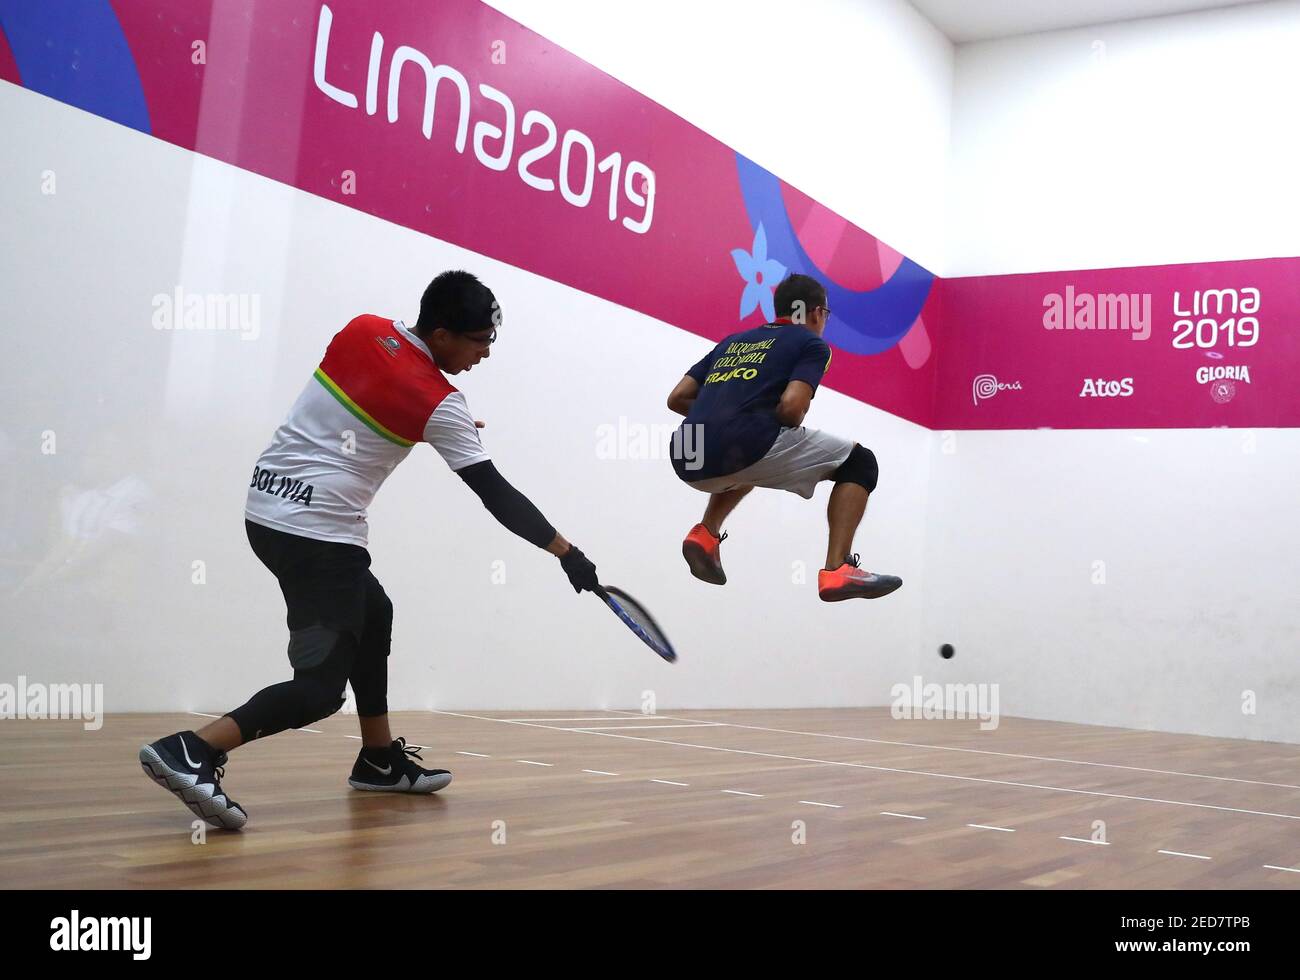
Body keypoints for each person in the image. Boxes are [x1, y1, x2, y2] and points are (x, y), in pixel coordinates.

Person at [139, 271, 601, 830]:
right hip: (318, 536)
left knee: (374, 612)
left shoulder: (363, 328)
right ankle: (193, 749)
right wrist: (565, 551)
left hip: (266, 510)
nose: (485, 353)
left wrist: (438, 423)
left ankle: (378, 759)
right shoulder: (441, 404)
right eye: (479, 341)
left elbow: (375, 388)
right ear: (443, 332)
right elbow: (495, 494)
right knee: (318, 691)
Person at [666, 273, 901, 601]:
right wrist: (754, 419)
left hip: (686, 454)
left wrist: (725, 413)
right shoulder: (811, 344)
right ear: (817, 312)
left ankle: (704, 535)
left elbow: (676, 399)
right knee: (860, 462)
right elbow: (792, 408)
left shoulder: (731, 342)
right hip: (745, 446)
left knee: (744, 472)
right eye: (826, 316)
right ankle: (837, 569)